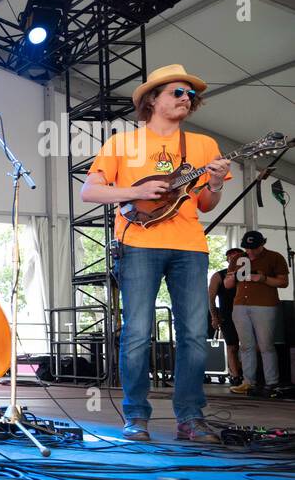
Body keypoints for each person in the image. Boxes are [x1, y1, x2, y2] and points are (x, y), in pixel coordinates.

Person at [80, 64, 231, 443]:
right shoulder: (122, 144)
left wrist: (214, 182)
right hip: (137, 244)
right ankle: (136, 418)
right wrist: (133, 192)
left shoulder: (203, 146)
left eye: (190, 94)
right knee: (135, 334)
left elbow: (207, 204)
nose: (186, 98)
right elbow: (90, 192)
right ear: (152, 99)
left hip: (189, 246)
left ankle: (191, 418)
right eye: (177, 92)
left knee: (195, 334)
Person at [226, 230, 290, 396]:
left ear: (262, 244)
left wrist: (263, 279)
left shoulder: (274, 257)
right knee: (246, 346)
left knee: (265, 345)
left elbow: (283, 282)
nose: (250, 251)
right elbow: (227, 285)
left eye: (254, 247)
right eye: (247, 248)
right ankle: (248, 382)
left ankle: (272, 382)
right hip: (240, 305)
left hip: (265, 305)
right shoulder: (237, 259)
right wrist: (232, 278)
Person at [208, 247, 244, 385]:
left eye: (237, 256)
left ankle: (250, 374)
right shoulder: (219, 275)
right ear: (227, 259)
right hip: (227, 315)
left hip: (247, 313)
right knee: (232, 346)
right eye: (231, 256)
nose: (234, 259)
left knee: (250, 346)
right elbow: (211, 298)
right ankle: (235, 376)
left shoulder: (247, 274)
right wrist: (214, 317)